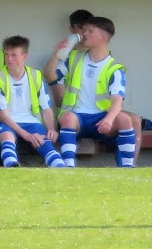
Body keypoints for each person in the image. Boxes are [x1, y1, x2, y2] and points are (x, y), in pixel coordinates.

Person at [55, 15, 138, 168]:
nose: (84, 34)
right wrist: (58, 53)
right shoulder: (73, 57)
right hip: (77, 116)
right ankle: (67, 167)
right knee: (67, 118)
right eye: (84, 30)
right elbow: (51, 75)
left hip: (100, 118)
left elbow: (117, 100)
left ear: (103, 37)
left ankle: (127, 168)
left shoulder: (115, 69)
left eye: (90, 31)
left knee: (126, 120)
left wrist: (109, 119)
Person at [0, 34, 67, 168]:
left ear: (25, 56)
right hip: (4, 122)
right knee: (7, 137)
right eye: (6, 55)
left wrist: (51, 129)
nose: (9, 59)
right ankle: (12, 166)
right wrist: (27, 136)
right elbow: (3, 116)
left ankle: (61, 168)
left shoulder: (36, 76)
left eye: (14, 55)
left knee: (44, 141)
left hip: (31, 121)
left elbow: (46, 108)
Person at [44, 8, 93, 106]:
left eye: (88, 29)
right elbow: (59, 98)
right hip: (73, 114)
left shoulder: (101, 57)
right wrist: (57, 53)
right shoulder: (65, 59)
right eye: (80, 27)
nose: (84, 32)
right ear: (72, 29)